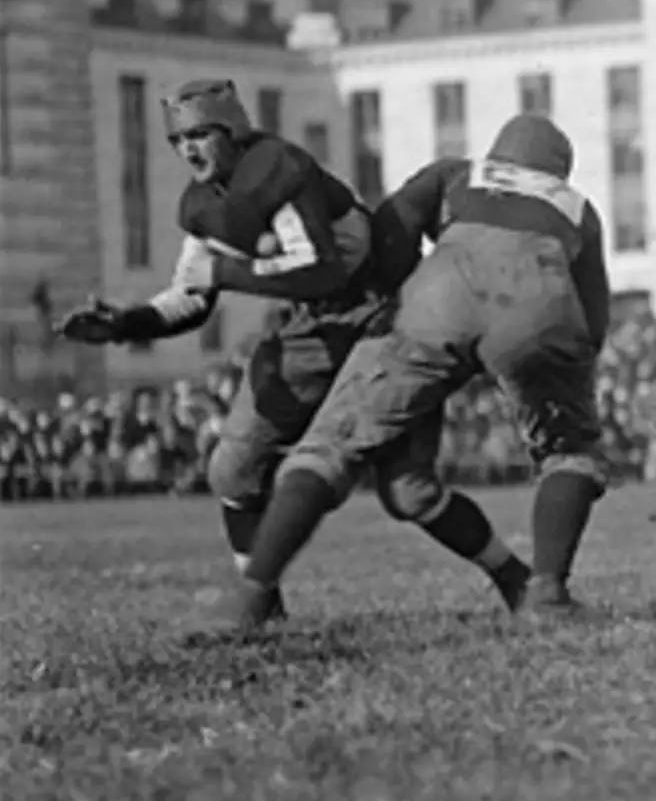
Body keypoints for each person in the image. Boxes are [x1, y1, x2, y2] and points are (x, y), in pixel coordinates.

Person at [204, 115, 615, 630]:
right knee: (569, 452)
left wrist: (395, 308)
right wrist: (562, 375)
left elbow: (391, 229)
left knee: (331, 446)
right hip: (537, 300)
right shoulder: (576, 208)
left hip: (438, 296)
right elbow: (595, 317)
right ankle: (548, 593)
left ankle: (251, 593)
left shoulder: (458, 173)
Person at [52, 79, 435, 617]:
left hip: (376, 316)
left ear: (232, 131)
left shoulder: (277, 167)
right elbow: (191, 297)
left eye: (200, 134)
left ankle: (523, 580)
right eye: (178, 140)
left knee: (411, 493)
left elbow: (320, 269)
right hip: (315, 327)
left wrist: (231, 270)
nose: (187, 150)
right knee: (231, 468)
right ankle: (260, 606)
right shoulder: (202, 205)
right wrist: (125, 324)